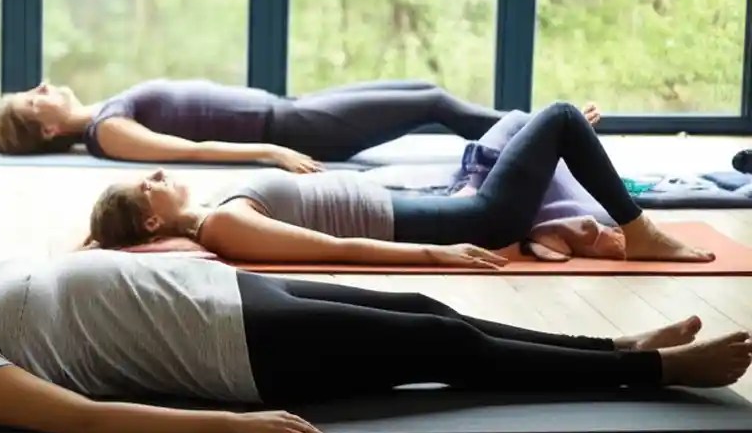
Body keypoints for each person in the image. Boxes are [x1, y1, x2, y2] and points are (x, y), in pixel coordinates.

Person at [0, 250, 751, 433]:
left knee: (426, 313)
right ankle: (650, 371)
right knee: (445, 352)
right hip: (232, 353)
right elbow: (77, 418)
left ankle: (618, 342)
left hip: (227, 293)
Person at [84, 102, 713, 267]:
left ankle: (558, 230)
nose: (161, 176)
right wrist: (439, 253)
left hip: (442, 207)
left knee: (519, 131)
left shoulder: (219, 214)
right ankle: (640, 230)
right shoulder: (223, 224)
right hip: (457, 224)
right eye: (150, 187)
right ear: (151, 224)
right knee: (561, 118)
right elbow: (336, 252)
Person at [0, 78, 505, 172]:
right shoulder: (108, 131)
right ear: (48, 131)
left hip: (292, 108)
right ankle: (533, 132)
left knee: (419, 88)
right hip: (295, 129)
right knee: (432, 101)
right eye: (34, 101)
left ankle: (526, 133)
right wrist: (269, 151)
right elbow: (186, 152)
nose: (43, 87)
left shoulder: (105, 114)